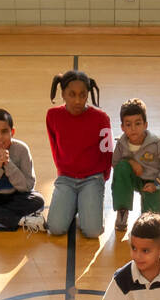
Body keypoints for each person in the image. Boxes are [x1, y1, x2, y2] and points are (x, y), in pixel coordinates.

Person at [45, 69, 112, 239]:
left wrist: (102, 178)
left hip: (92, 178)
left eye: (82, 95)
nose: (77, 100)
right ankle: (75, 203)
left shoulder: (101, 118)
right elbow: (55, 146)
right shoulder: (53, 115)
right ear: (63, 94)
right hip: (66, 178)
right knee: (55, 228)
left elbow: (107, 150)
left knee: (92, 232)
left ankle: (86, 204)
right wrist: (62, 170)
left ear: (88, 95)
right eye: (71, 94)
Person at [111, 98, 160, 231]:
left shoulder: (157, 144)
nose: (133, 129)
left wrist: (157, 185)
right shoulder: (121, 144)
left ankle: (150, 210)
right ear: (122, 127)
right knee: (122, 167)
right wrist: (130, 162)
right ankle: (122, 210)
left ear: (145, 124)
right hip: (133, 180)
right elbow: (115, 163)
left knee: (151, 225)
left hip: (153, 182)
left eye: (138, 123)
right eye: (128, 125)